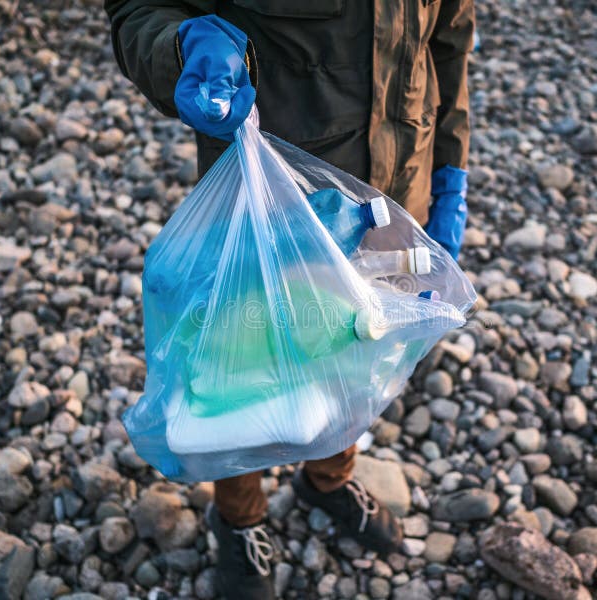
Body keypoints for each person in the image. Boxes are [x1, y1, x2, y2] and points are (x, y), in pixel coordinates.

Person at [105, 2, 474, 598]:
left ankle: (328, 478)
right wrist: (180, 49)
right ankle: (240, 517)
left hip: (396, 187)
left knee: (357, 343)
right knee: (241, 368)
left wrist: (451, 168)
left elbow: (449, 39)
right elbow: (138, 8)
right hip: (272, 196)